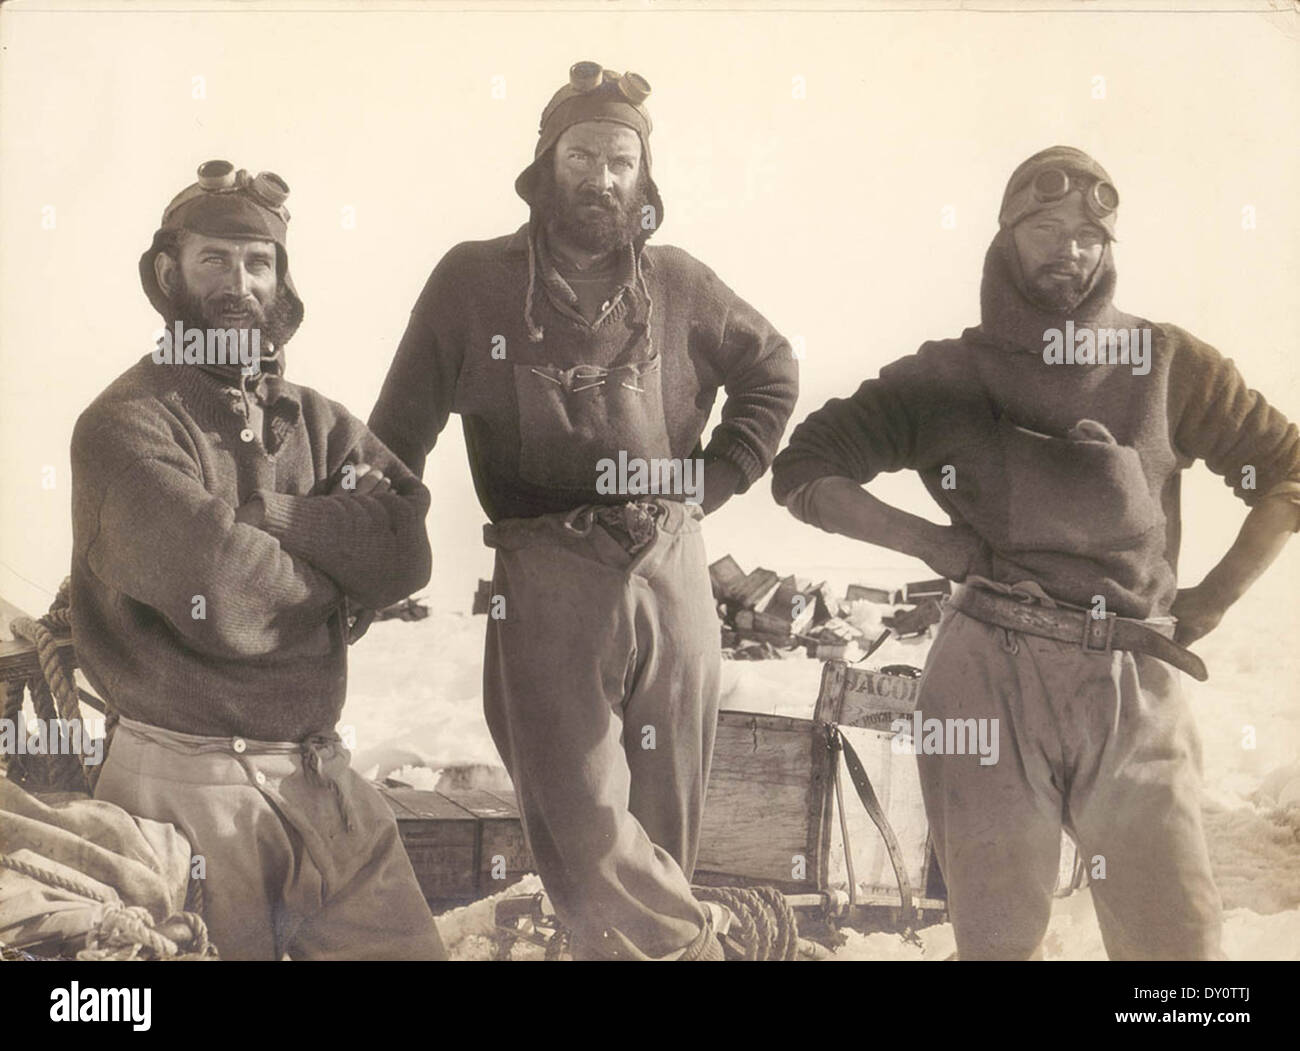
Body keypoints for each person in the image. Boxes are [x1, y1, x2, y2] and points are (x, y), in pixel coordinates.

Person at [770, 146, 1300, 960]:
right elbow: (805, 466)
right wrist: (931, 542)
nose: (1071, 248)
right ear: (1006, 235)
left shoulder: (1166, 363)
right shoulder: (947, 374)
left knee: (1181, 945)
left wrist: (1216, 595)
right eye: (1047, 226)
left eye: (1091, 234)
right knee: (997, 937)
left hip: (1132, 675)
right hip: (989, 671)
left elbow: (1289, 469)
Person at [368, 63, 799, 959]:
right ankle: (709, 949)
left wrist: (712, 481)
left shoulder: (678, 283)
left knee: (665, 822)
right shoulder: (472, 282)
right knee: (584, 824)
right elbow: (395, 436)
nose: (601, 177)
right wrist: (361, 551)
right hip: (546, 570)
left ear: (644, 179)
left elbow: (772, 368)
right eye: (582, 155)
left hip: (670, 564)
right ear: (544, 166)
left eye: (620, 158)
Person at [71, 160, 446, 960]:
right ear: (169, 274)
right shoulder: (123, 424)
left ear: (280, 282)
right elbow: (226, 594)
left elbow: (407, 547)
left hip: (324, 782)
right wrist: (345, 584)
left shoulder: (317, 422)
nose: (237, 282)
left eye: (257, 262)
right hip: (184, 790)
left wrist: (277, 515)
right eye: (214, 259)